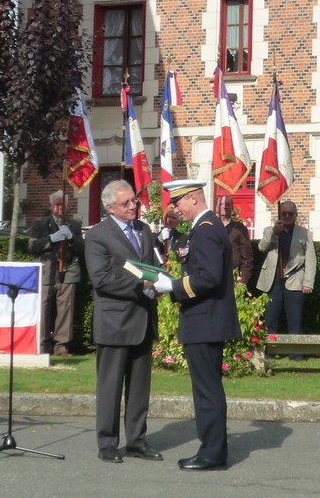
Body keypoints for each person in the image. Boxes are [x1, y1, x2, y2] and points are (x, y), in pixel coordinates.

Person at [153, 180, 242, 472]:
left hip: (204, 320)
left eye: (178, 203)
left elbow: (208, 277)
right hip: (207, 320)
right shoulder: (207, 227)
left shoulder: (205, 231)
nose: (175, 209)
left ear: (193, 198)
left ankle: (213, 452)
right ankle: (212, 447)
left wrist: (174, 287)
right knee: (208, 388)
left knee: (206, 391)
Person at [84, 180, 161, 464]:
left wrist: (160, 280)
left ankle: (137, 441)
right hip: (115, 322)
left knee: (140, 388)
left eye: (133, 201)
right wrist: (139, 286)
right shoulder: (97, 236)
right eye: (126, 203)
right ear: (109, 207)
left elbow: (155, 266)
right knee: (110, 387)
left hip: (142, 320)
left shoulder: (144, 230)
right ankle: (107, 443)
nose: (133, 206)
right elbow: (101, 279)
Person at [27, 189, 85, 356]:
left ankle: (61, 345)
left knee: (65, 309)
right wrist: (51, 239)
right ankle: (42, 343)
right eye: (57, 205)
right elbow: (32, 246)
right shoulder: (40, 224)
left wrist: (71, 238)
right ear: (51, 205)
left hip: (68, 270)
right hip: (47, 271)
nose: (60, 208)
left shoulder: (74, 225)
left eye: (63, 205)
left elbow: (82, 249)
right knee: (43, 308)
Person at [256, 200, 315, 358]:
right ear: (280, 215)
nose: (287, 216)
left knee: (295, 320)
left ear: (295, 215)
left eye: (290, 214)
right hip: (273, 281)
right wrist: (275, 232)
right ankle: (270, 352)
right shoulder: (270, 230)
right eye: (284, 213)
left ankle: (295, 353)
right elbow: (261, 248)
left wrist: (308, 283)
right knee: (270, 319)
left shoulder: (304, 233)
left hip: (295, 280)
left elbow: (310, 260)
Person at [215, 194, 253, 285]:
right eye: (221, 204)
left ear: (232, 208)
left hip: (233, 280)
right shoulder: (210, 227)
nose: (224, 207)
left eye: (227, 204)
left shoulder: (239, 229)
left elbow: (247, 259)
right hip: (213, 279)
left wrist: (243, 281)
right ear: (216, 207)